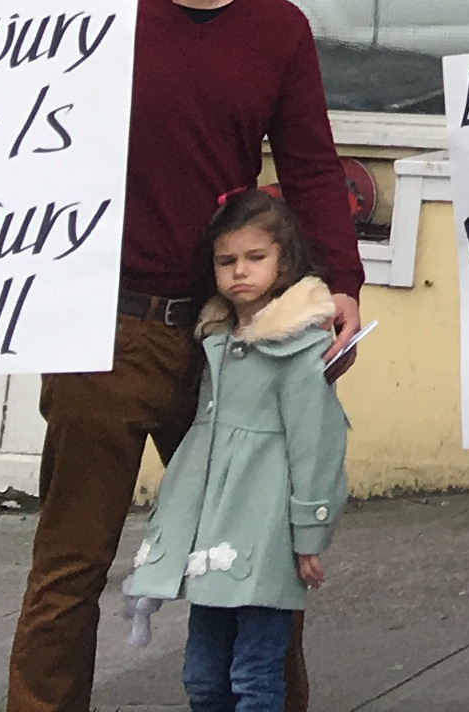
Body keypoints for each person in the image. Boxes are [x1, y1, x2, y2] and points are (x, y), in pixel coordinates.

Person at [0, 0, 366, 712]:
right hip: (104, 325)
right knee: (71, 563)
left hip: (230, 334)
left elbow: (313, 167)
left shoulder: (278, 30)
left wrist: (342, 286)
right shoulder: (93, 16)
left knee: (255, 561)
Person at [124, 190, 350, 712]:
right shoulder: (216, 337)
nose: (240, 272)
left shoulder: (300, 345)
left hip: (265, 531)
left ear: (284, 262)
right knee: (203, 678)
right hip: (214, 534)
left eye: (255, 257)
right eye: (226, 261)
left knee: (255, 675)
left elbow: (317, 444)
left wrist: (308, 534)